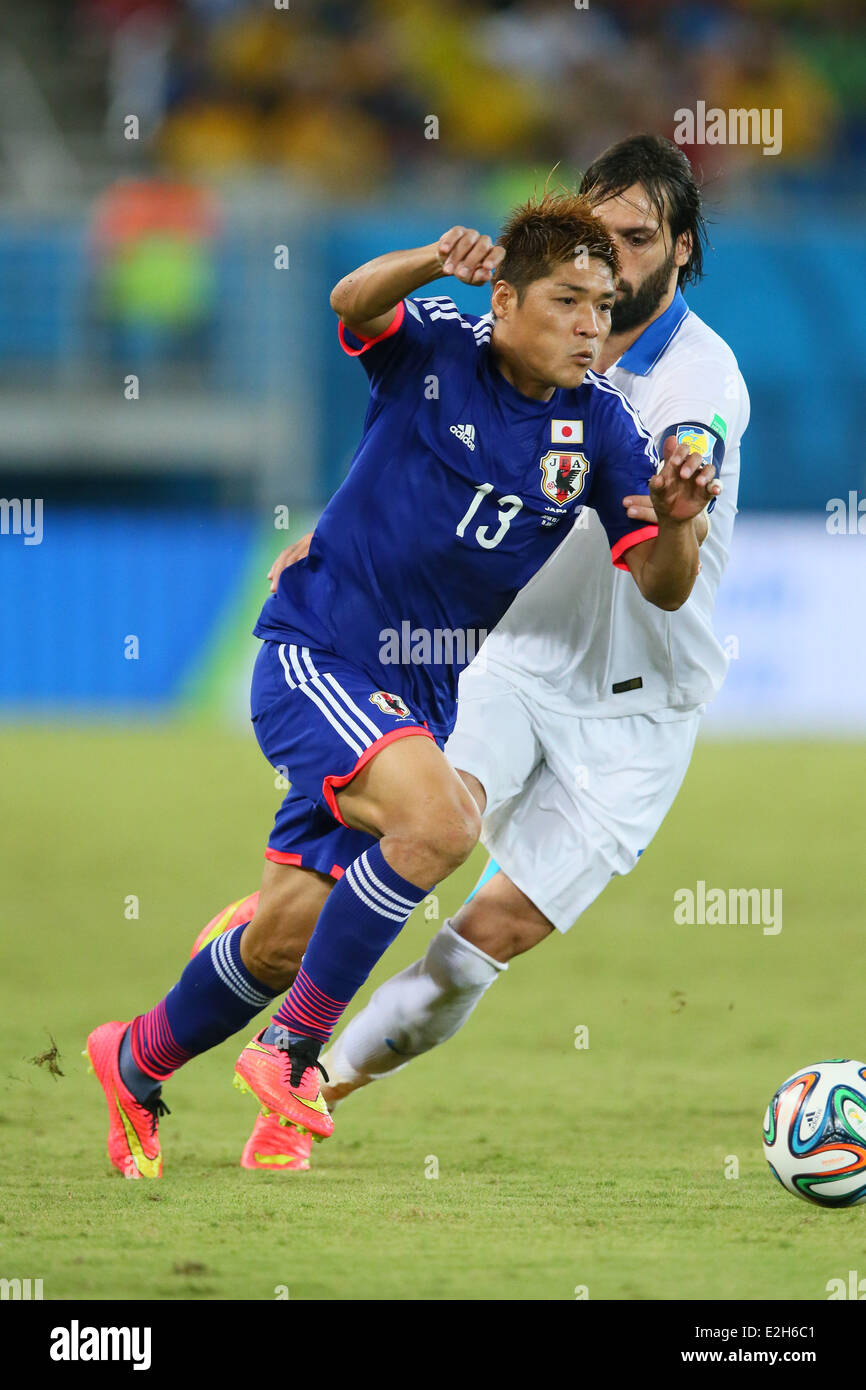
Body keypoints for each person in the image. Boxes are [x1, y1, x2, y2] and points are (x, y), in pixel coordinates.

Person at [86, 186, 717, 1179]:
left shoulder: (600, 430)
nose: (589, 327)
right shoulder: (436, 346)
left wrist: (679, 518)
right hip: (319, 653)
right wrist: (430, 255)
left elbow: (665, 589)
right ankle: (289, 1054)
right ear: (502, 300)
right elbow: (349, 301)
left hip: (419, 697)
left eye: (601, 307)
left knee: (281, 941)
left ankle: (133, 1060)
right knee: (444, 824)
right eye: (564, 302)